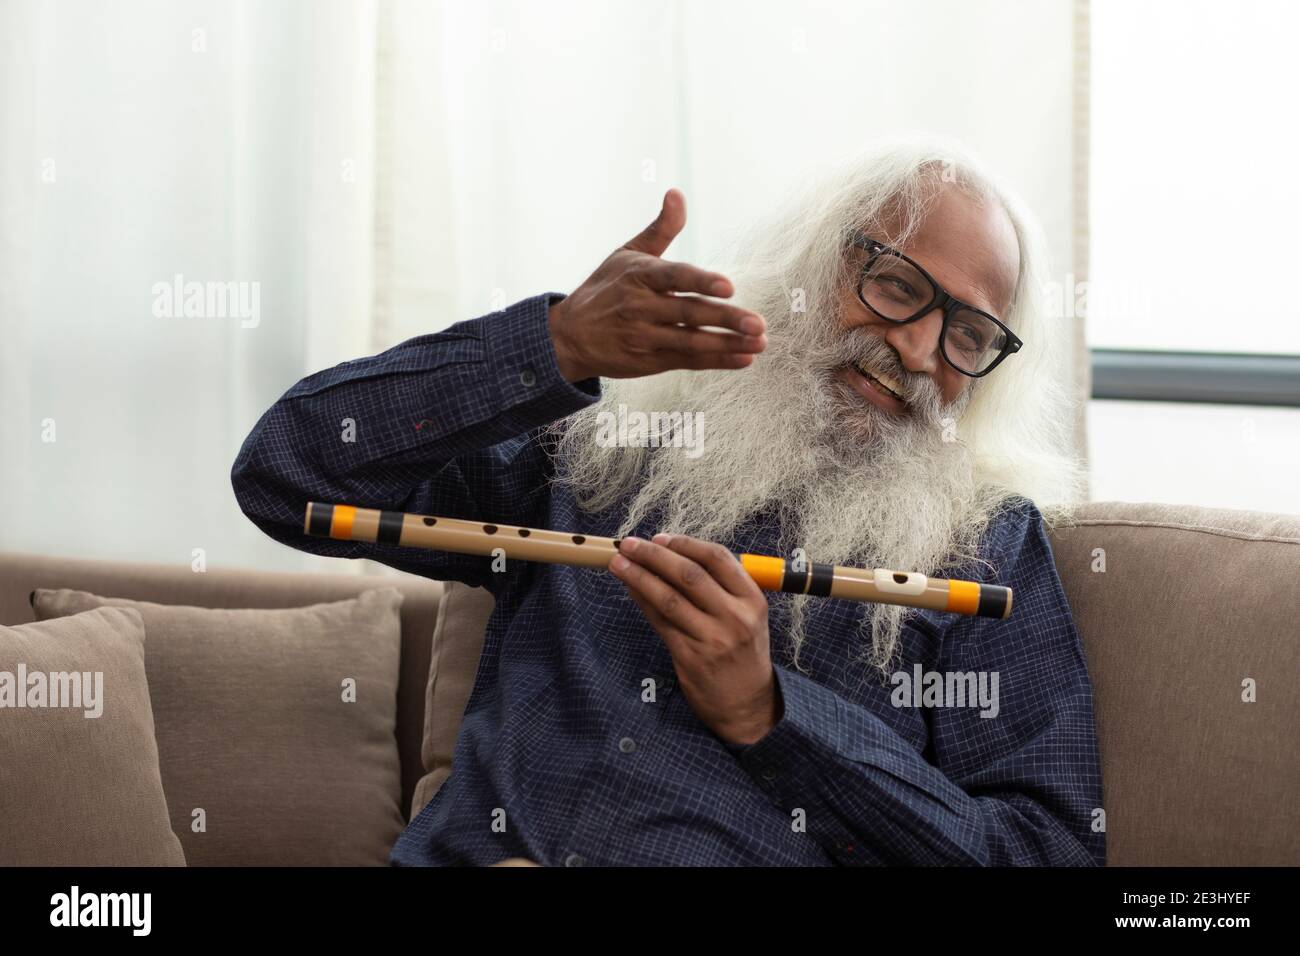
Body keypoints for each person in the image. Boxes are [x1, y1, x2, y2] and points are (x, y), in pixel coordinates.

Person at [231, 135, 1105, 866]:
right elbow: (288, 475)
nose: (918, 350)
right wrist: (556, 343)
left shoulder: (987, 547)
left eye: (969, 335)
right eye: (900, 287)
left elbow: (1045, 853)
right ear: (816, 258)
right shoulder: (611, 450)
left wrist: (773, 713)